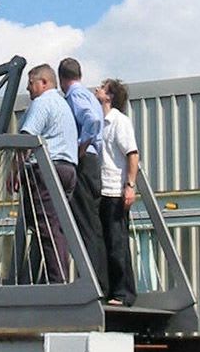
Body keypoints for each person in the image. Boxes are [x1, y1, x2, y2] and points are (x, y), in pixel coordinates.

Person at [14, 64, 78, 283]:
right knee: (57, 225)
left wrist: (14, 172)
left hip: (46, 170)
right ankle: (49, 278)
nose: (28, 88)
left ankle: (56, 282)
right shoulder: (63, 104)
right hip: (68, 169)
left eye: (31, 83)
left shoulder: (42, 103)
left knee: (45, 226)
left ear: (44, 82)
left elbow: (27, 139)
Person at [57, 57, 108, 290]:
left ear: (61, 79)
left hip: (85, 160)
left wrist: (81, 145)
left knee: (83, 221)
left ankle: (91, 281)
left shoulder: (75, 96)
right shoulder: (88, 95)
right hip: (95, 161)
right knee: (92, 222)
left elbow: (93, 119)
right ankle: (98, 280)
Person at [94, 78, 139, 305]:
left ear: (109, 96)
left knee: (117, 242)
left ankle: (122, 293)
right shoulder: (99, 122)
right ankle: (112, 291)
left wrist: (129, 186)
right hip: (101, 190)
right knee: (104, 242)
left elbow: (132, 153)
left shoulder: (119, 122)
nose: (97, 90)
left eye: (102, 88)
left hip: (114, 189)